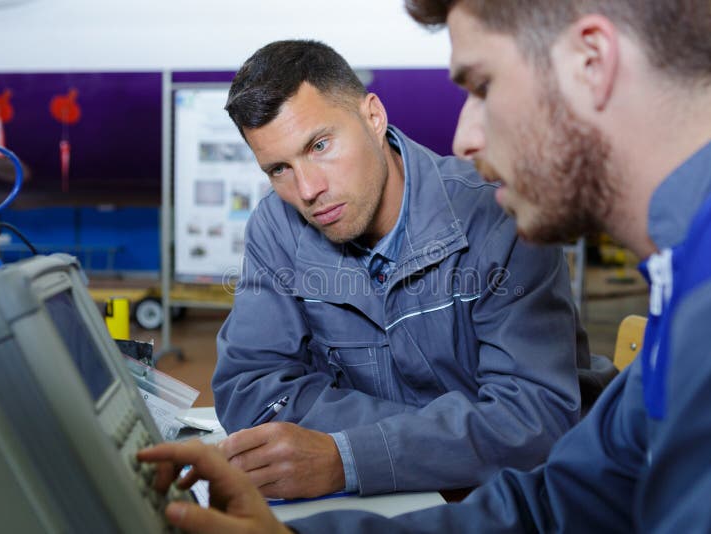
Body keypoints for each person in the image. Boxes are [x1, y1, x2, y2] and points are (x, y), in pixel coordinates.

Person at [138, 0, 711, 532]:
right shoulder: (701, 269)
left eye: (483, 87)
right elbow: (551, 504)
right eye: (279, 169)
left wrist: (350, 453)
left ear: (593, 61)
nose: (465, 138)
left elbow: (533, 431)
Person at [211, 39, 608, 500]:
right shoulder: (278, 228)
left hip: (526, 502)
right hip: (399, 501)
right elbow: (250, 391)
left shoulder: (499, 216)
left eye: (319, 145)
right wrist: (434, 441)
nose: (308, 189)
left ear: (373, 116)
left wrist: (349, 456)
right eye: (279, 169)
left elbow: (531, 419)